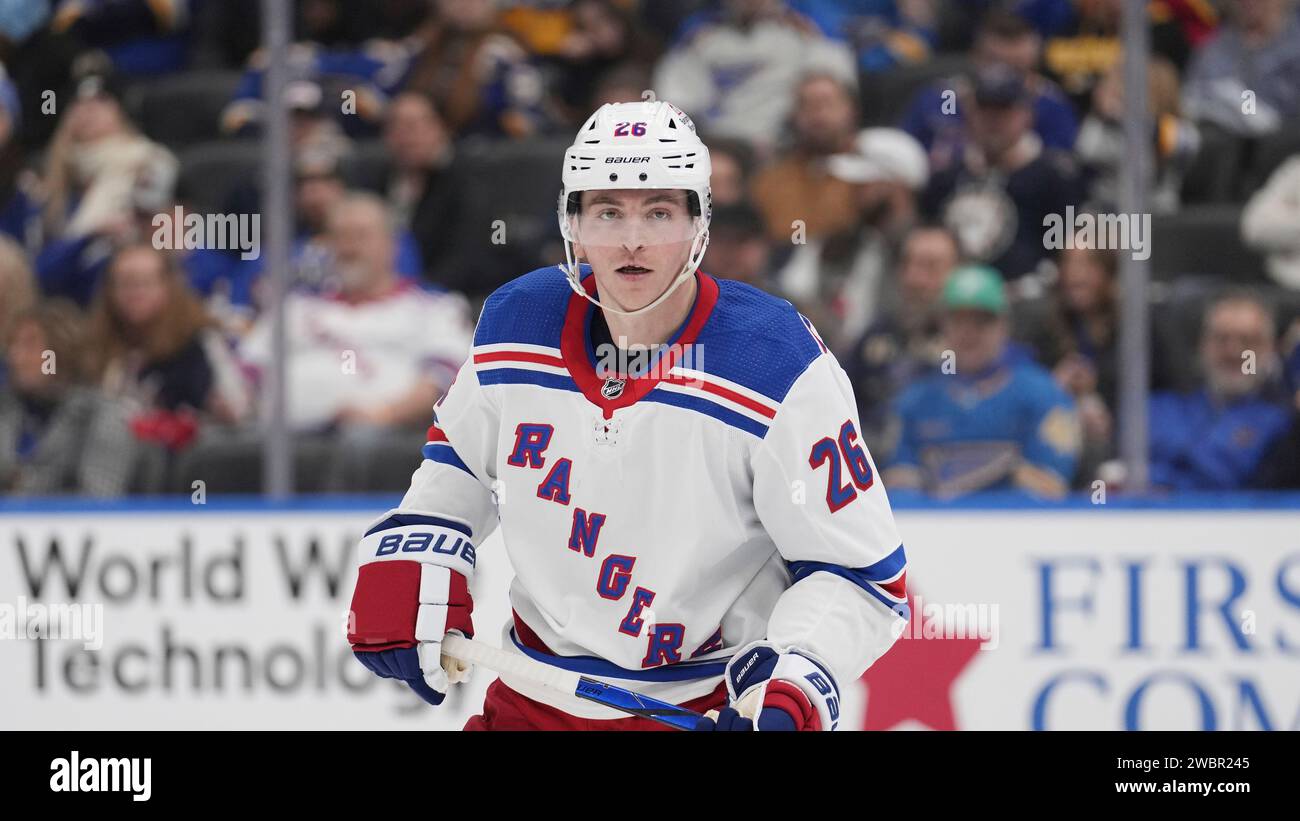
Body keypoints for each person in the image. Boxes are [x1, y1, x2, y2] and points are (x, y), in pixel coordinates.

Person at [344, 100, 908, 732]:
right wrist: (418, 552)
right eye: (607, 212)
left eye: (659, 211)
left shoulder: (777, 363)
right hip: (532, 699)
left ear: (700, 225)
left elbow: (861, 576)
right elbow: (460, 468)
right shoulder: (517, 323)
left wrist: (796, 683)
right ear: (574, 225)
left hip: (693, 709)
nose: (632, 239)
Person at [885, 264, 1080, 498]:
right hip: (934, 530)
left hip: (1019, 529)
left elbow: (1049, 487)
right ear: (943, 325)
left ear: (1004, 326)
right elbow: (899, 489)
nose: (969, 332)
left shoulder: (1045, 396)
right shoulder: (914, 401)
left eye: (982, 321)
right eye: (959, 320)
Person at [1149, 292, 1291, 491]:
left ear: (1269, 350)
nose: (1232, 351)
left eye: (1247, 340)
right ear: (1202, 345)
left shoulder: (1281, 423)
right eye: (1221, 339)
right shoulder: (1160, 409)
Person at [0, 299, 138, 496]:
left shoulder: (102, 417)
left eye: (30, 345)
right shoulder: (6, 410)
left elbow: (99, 501)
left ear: (61, 352)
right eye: (13, 344)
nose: (15, 356)